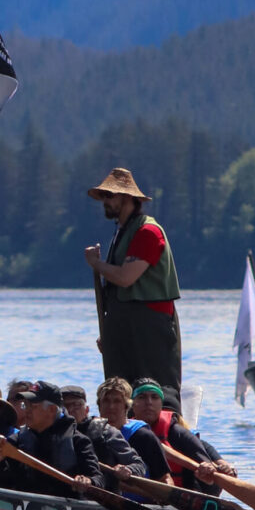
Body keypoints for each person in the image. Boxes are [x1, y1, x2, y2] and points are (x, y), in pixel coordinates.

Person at [83, 167, 182, 412]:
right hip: (125, 326)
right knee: (120, 389)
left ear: (127, 198)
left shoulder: (147, 232)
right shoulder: (122, 232)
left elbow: (126, 278)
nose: (105, 201)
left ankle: (167, 435)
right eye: (104, 196)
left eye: (110, 196)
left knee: (155, 387)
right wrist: (111, 332)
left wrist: (96, 264)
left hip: (149, 325)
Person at [0, 379, 103, 498]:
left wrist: (88, 482)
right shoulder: (15, 441)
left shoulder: (78, 441)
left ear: (52, 410)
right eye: (25, 405)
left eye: (33, 406)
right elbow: (1, 485)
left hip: (67, 506)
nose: (26, 410)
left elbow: (98, 480)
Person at [127, 379, 236, 481]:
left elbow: (206, 456)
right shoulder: (124, 429)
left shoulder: (177, 432)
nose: (149, 402)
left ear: (161, 404)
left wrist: (223, 466)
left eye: (154, 397)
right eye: (142, 397)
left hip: (182, 492)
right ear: (131, 404)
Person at [61, 383, 149, 475]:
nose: (70, 410)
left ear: (87, 410)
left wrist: (128, 469)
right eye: (65, 406)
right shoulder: (52, 433)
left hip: (100, 487)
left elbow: (139, 465)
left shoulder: (105, 432)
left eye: (76, 405)